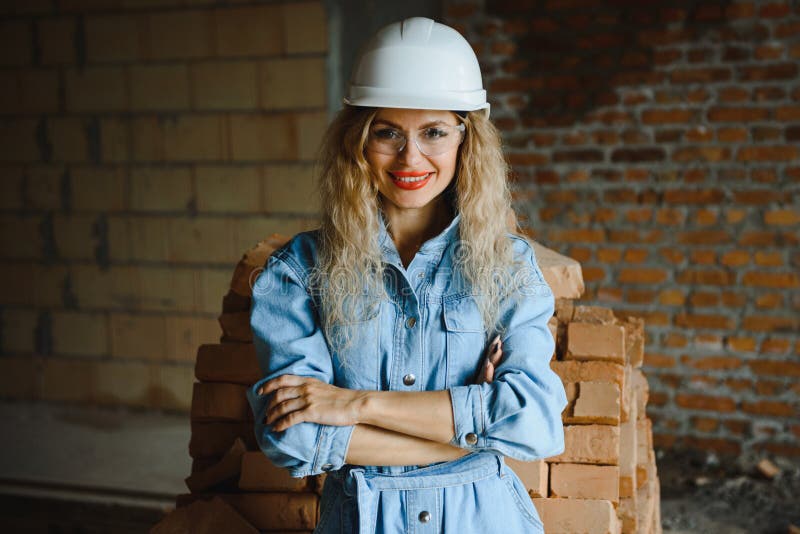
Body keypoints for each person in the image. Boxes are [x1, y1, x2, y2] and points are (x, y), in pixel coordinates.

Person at [246, 17, 567, 534]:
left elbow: (534, 423)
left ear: (466, 139)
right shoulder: (301, 271)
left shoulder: (507, 267)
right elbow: (291, 438)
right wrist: (469, 432)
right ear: (357, 140)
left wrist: (353, 405)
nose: (410, 157)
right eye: (387, 132)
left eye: (433, 132)